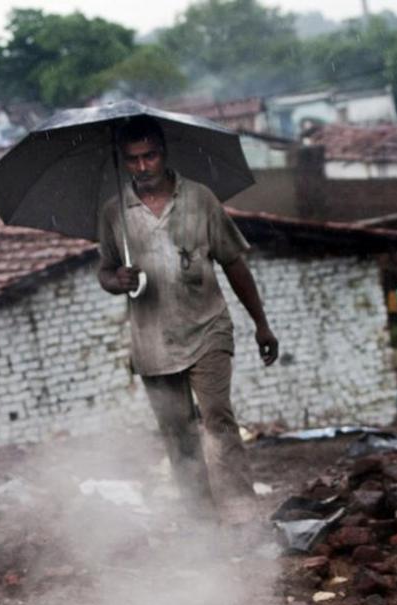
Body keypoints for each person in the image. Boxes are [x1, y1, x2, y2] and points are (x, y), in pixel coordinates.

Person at [96, 116, 278, 525]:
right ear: (124, 162)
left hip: (207, 327)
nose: (143, 167)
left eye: (150, 156)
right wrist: (116, 280)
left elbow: (234, 263)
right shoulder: (114, 214)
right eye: (133, 160)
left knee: (217, 420)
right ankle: (201, 524)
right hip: (153, 341)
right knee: (178, 434)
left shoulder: (200, 199)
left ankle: (241, 513)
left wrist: (261, 324)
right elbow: (104, 271)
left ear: (164, 153)